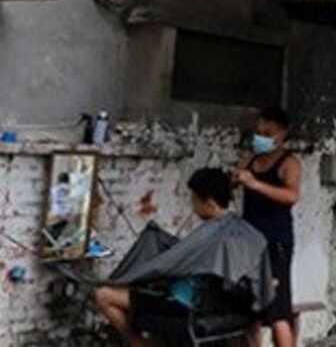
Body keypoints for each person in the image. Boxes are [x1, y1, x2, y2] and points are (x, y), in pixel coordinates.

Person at [94, 167, 247, 336]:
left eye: (194, 200)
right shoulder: (240, 230)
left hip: (191, 305)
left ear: (209, 203)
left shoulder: (209, 234)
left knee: (104, 294)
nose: (193, 206)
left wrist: (124, 279)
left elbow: (162, 266)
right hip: (220, 304)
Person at [234, 105, 302, 347]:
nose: (261, 137)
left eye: (268, 133)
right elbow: (236, 181)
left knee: (277, 310)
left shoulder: (289, 163)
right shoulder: (251, 159)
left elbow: (291, 196)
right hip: (248, 242)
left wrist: (256, 185)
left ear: (283, 134)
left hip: (275, 243)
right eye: (258, 133)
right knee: (249, 310)